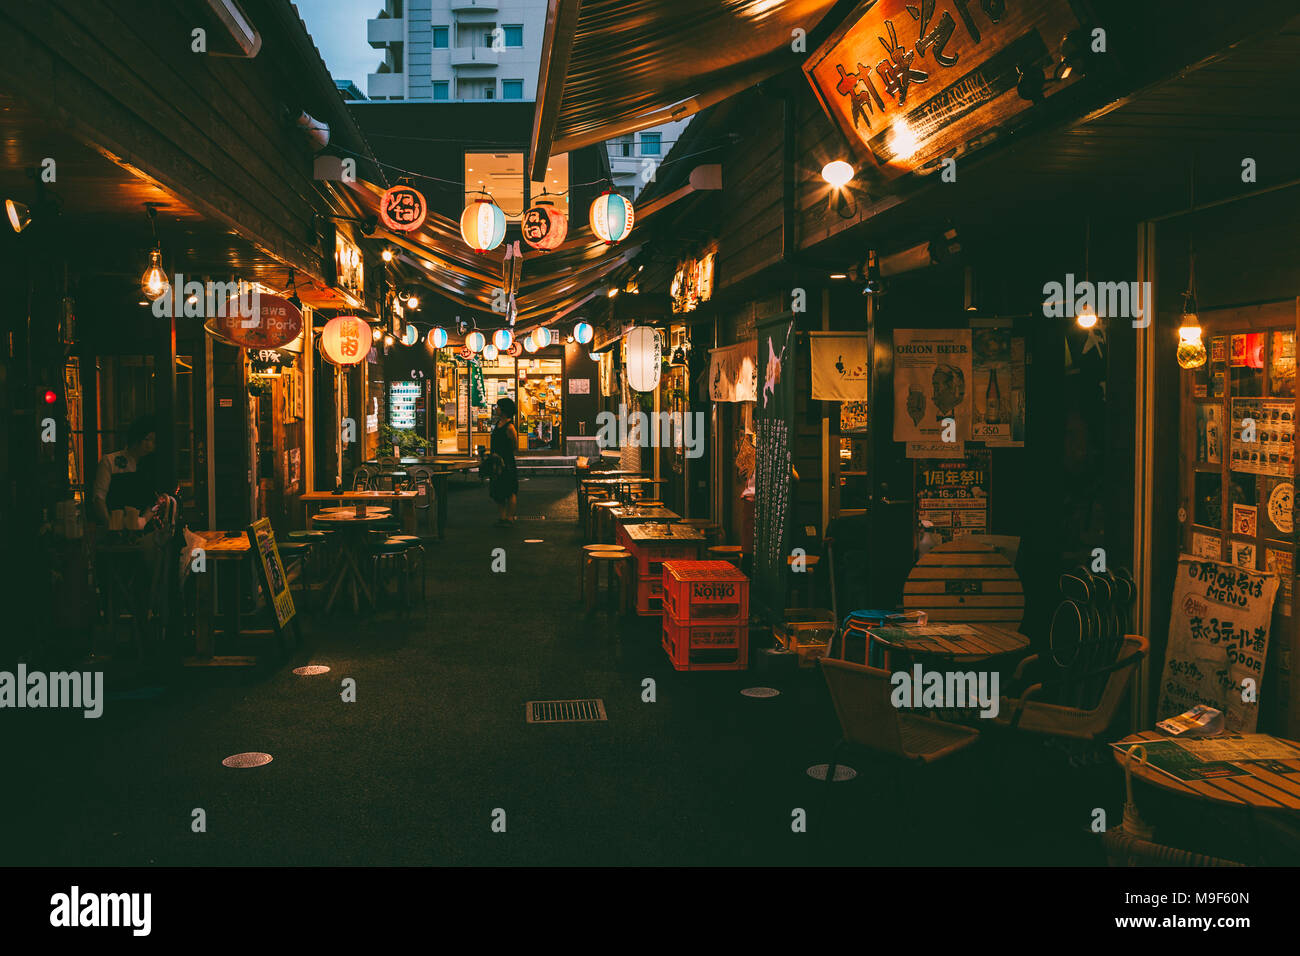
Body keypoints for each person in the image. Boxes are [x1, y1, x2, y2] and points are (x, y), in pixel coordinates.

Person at [92, 415, 157, 527]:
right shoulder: (110, 461)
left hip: (144, 531)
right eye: (147, 439)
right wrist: (110, 526)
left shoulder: (150, 466)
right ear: (136, 438)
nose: (150, 445)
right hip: (114, 529)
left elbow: (155, 501)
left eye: (153, 441)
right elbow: (99, 498)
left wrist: (143, 521)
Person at [489, 397, 518, 526]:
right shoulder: (497, 423)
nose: (496, 408)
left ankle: (510, 517)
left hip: (506, 461)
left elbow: (514, 445)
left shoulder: (510, 426)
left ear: (504, 410)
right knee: (498, 489)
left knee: (510, 489)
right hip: (496, 460)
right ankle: (502, 516)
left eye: (498, 407)